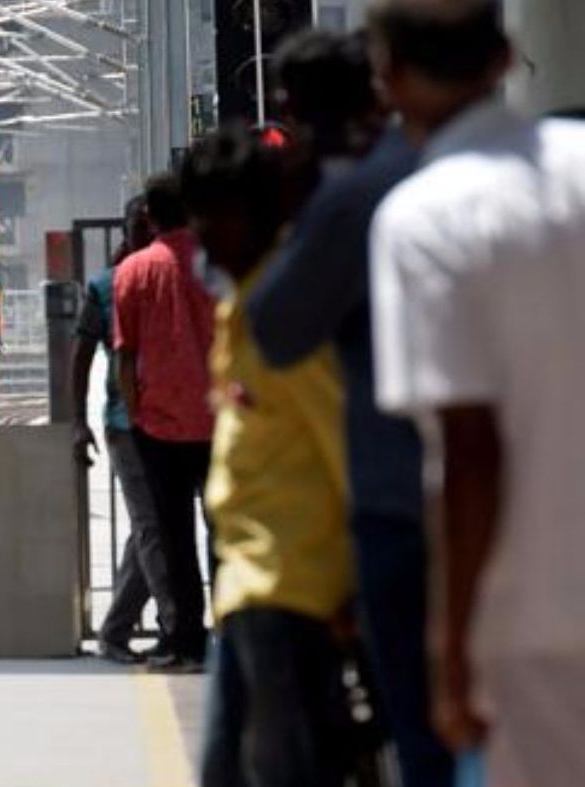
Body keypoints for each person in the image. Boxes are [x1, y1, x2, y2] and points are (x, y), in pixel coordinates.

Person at [367, 2, 585, 785]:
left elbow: (468, 448)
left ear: (387, 77)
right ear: (505, 57)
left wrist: (449, 644)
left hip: (538, 618)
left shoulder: (423, 221)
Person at [246, 29, 453, 787]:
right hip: (508, 488)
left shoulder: (351, 197)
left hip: (394, 499)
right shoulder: (445, 167)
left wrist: (297, 207)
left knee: (419, 724)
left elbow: (274, 324)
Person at [184, 127, 356, 787]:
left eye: (217, 215)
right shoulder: (245, 302)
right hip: (248, 582)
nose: (203, 233)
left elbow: (343, 442)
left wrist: (354, 581)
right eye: (198, 215)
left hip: (292, 585)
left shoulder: (285, 314)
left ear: (262, 212)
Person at [112, 174, 215, 671]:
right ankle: (235, 636)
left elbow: (125, 357)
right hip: (223, 422)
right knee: (228, 533)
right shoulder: (217, 261)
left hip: (159, 427)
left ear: (149, 217)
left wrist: (134, 413)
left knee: (174, 540)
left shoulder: (133, 271)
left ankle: (185, 642)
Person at [71, 196, 160, 664]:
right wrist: (78, 423)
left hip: (166, 421)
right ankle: (171, 624)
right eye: (139, 225)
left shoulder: (166, 276)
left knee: (151, 530)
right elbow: (80, 357)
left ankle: (116, 628)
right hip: (127, 424)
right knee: (153, 528)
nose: (146, 232)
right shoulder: (106, 287)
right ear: (126, 230)